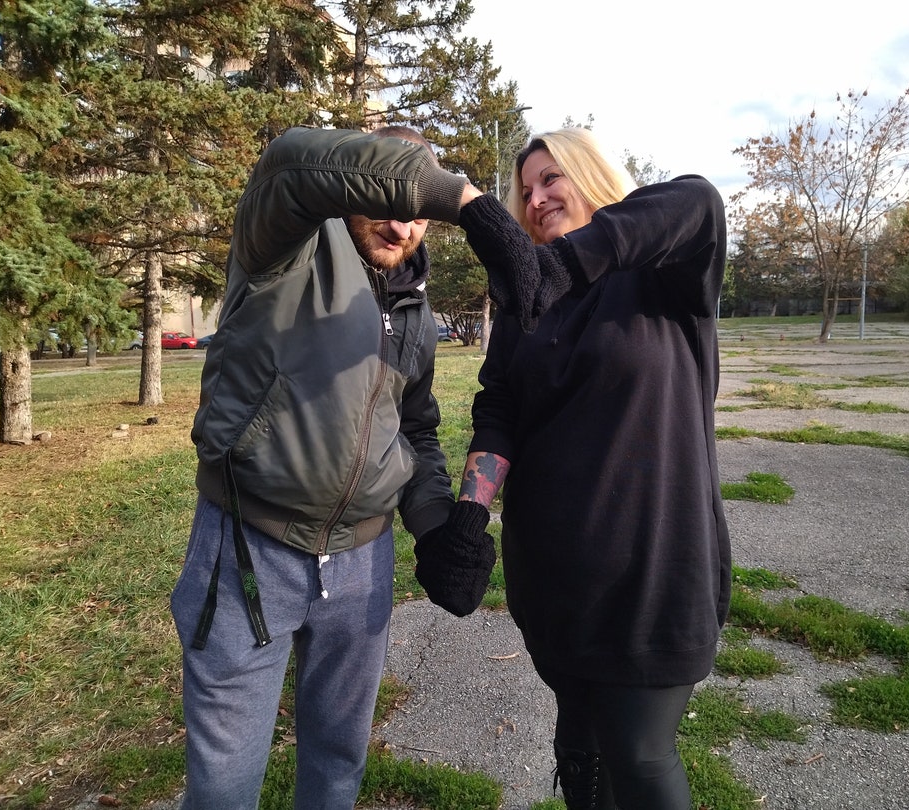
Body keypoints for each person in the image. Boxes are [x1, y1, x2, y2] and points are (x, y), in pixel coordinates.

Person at [418, 127, 732, 809]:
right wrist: (470, 516)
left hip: (653, 567)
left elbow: (700, 202)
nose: (535, 198)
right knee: (580, 751)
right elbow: (499, 409)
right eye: (524, 191)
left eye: (551, 178)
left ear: (590, 174)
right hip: (557, 577)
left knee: (640, 757)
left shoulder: (666, 279)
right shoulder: (526, 303)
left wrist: (560, 263)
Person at [171, 124, 477, 810]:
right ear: (351, 185)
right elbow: (288, 166)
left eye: (419, 211)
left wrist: (434, 527)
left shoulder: (417, 313)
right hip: (251, 550)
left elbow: (417, 433)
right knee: (225, 782)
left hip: (363, 566)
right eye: (390, 195)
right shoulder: (284, 243)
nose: (401, 223)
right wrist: (465, 196)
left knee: (339, 763)